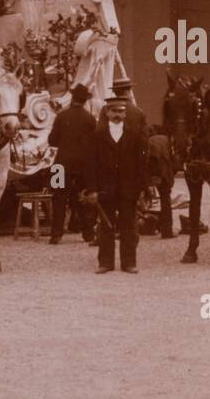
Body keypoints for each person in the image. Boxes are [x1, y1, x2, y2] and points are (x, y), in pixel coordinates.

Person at [82, 91, 148, 274]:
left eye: (121, 111)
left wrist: (141, 188)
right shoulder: (97, 136)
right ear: (107, 113)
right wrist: (92, 190)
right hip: (105, 189)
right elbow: (91, 165)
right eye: (113, 111)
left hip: (128, 189)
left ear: (125, 113)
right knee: (106, 226)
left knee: (128, 225)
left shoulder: (134, 136)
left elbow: (141, 164)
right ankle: (105, 262)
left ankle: (129, 263)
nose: (117, 115)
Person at [48, 83, 97, 245]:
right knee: (82, 199)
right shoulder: (90, 120)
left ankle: (56, 234)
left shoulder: (61, 116)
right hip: (83, 167)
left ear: (73, 98)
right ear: (84, 101)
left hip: (60, 166)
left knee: (58, 198)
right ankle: (88, 233)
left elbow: (52, 141)